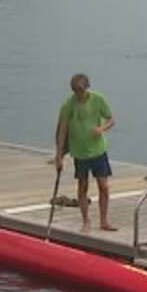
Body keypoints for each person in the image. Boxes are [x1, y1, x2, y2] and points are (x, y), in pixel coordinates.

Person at [53, 72, 118, 233]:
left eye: (80, 91)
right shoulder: (68, 104)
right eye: (75, 91)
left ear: (86, 88)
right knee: (83, 186)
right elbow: (62, 131)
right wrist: (59, 155)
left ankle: (104, 220)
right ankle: (86, 221)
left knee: (103, 185)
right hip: (79, 152)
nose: (78, 94)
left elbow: (111, 119)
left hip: (98, 150)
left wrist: (101, 128)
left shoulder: (98, 99)